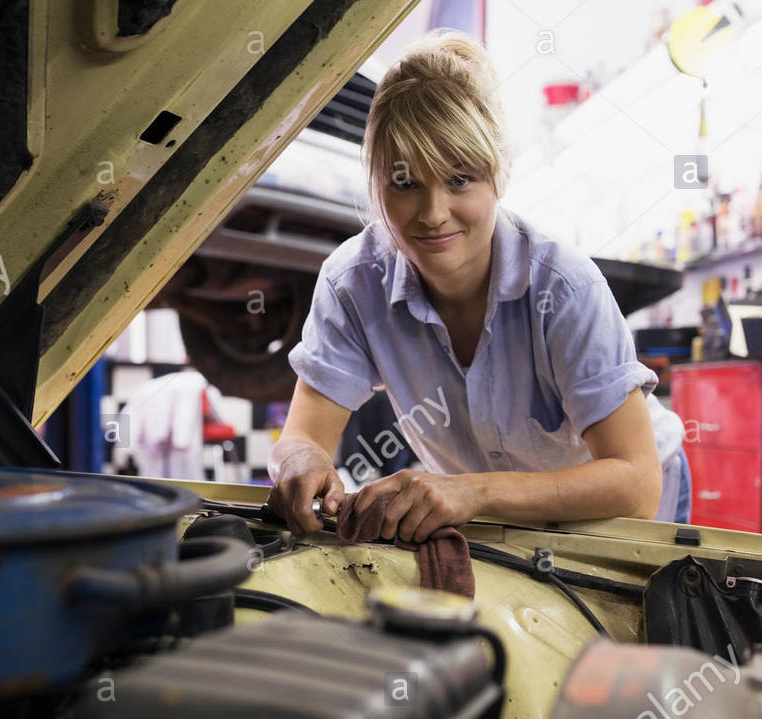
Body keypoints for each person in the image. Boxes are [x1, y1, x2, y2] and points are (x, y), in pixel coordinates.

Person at [268, 30, 688, 542]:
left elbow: (637, 483)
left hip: (625, 506)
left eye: (459, 179)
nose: (433, 214)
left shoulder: (564, 289)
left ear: (499, 175)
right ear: (376, 183)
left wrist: (473, 491)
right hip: (499, 518)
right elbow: (302, 436)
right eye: (405, 184)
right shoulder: (352, 283)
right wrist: (299, 460)